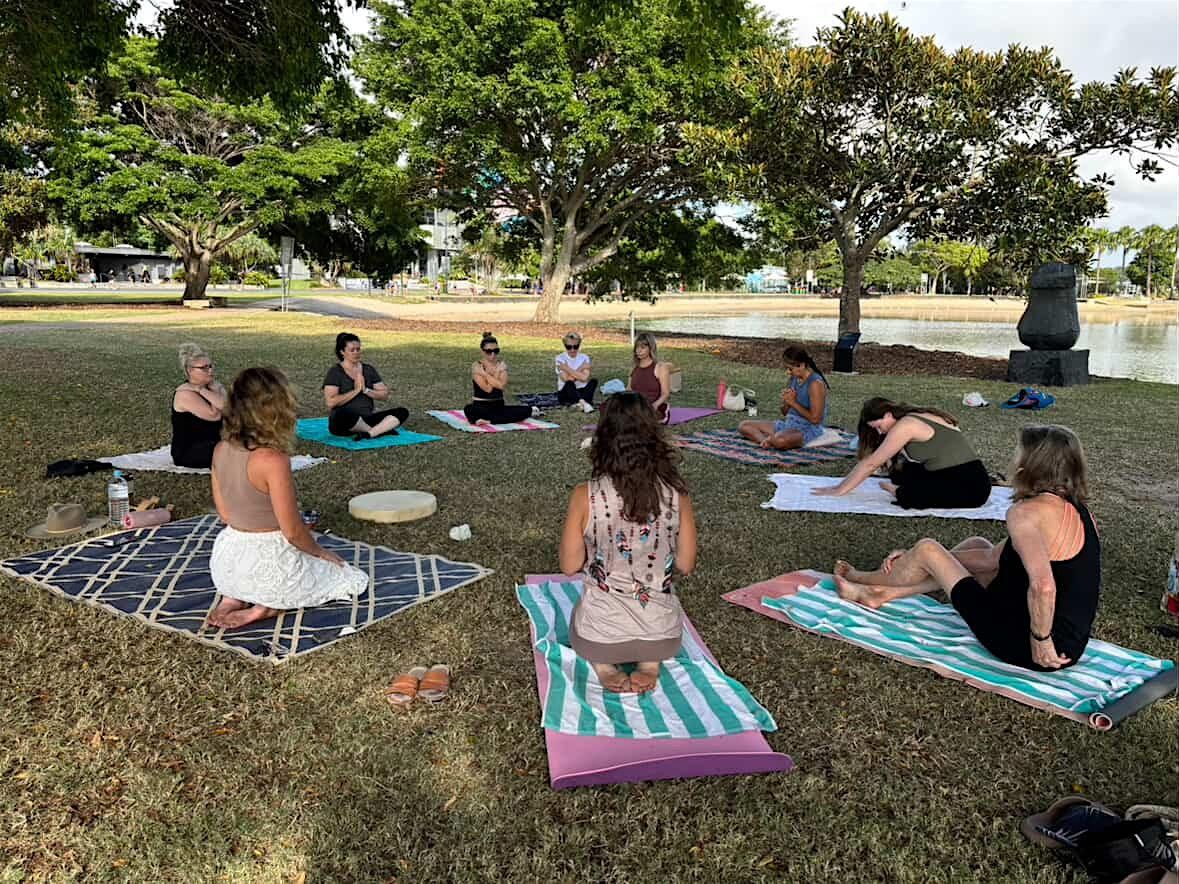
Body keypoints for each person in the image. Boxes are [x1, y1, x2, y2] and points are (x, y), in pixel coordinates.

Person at [832, 425, 1099, 672]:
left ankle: (860, 581)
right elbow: (991, 558)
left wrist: (1041, 641)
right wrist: (926, 562)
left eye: (1019, 452)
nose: (1014, 457)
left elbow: (1044, 587)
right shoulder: (1079, 510)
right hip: (1068, 646)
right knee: (976, 546)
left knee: (927, 548)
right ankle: (882, 594)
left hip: (1029, 647)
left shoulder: (1026, 513)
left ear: (1032, 465)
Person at [208, 367, 368, 629]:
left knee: (252, 569)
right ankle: (264, 607)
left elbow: (225, 514)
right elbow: (292, 531)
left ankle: (232, 597)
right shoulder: (272, 460)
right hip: (271, 565)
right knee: (349, 577)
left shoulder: (220, 449)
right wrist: (322, 554)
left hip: (227, 563)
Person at [560, 392, 697, 693]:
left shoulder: (585, 495)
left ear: (604, 438)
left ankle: (605, 667)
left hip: (598, 635)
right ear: (653, 436)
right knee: (655, 631)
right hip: (663, 637)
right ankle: (650, 663)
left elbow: (569, 566)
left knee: (580, 620)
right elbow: (686, 564)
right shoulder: (678, 494)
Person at [815, 397, 991, 509]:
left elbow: (871, 463)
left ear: (888, 415)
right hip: (950, 474)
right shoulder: (916, 415)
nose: (880, 432)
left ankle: (897, 491)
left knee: (909, 497)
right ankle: (901, 487)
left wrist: (840, 489)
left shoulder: (906, 425)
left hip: (971, 486)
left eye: (878, 427)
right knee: (903, 472)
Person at [738, 345, 829, 450]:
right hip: (788, 424)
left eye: (790, 369)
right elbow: (785, 413)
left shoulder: (815, 384)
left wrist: (793, 402)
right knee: (744, 426)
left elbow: (816, 419)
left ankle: (772, 440)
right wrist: (787, 402)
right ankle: (764, 441)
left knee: (781, 440)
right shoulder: (794, 378)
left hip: (807, 428)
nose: (788, 372)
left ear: (802, 365)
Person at [322, 332, 409, 440]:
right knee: (340, 413)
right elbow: (331, 403)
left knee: (402, 411)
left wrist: (366, 390)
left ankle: (369, 434)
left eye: (358, 349)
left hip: (367, 418)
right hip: (345, 422)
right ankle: (378, 431)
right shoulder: (335, 372)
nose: (356, 353)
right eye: (352, 350)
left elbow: (384, 395)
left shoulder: (368, 369)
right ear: (342, 352)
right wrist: (356, 390)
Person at [463, 332, 538, 425]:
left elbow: (501, 386)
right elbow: (488, 389)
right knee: (468, 409)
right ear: (482, 351)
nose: (493, 354)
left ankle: (489, 421)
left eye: (496, 351)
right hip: (480, 406)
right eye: (489, 351)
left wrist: (486, 374)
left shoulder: (501, 365)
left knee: (526, 410)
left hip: (498, 406)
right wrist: (494, 373)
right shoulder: (477, 366)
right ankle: (494, 419)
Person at [171, 343, 226, 469]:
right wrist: (202, 390)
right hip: (189, 450)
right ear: (190, 370)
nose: (210, 371)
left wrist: (204, 389)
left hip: (214, 443)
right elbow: (215, 415)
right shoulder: (184, 393)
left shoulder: (214, 386)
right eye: (204, 368)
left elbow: (228, 408)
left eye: (210, 366)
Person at [628, 332, 672, 423]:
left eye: (643, 348)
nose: (638, 351)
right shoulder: (634, 367)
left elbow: (665, 393)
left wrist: (654, 406)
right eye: (637, 347)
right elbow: (629, 389)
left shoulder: (660, 367)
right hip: (637, 407)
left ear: (651, 348)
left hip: (654, 407)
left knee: (640, 420)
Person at [555, 331, 597, 413]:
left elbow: (584, 378)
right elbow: (566, 379)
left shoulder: (584, 357)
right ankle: (584, 403)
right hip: (566, 391)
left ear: (579, 345)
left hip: (582, 390)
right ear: (565, 345)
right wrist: (581, 368)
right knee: (570, 384)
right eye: (569, 347)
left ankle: (579, 403)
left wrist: (566, 368)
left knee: (593, 381)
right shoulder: (560, 358)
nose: (572, 350)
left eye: (576, 346)